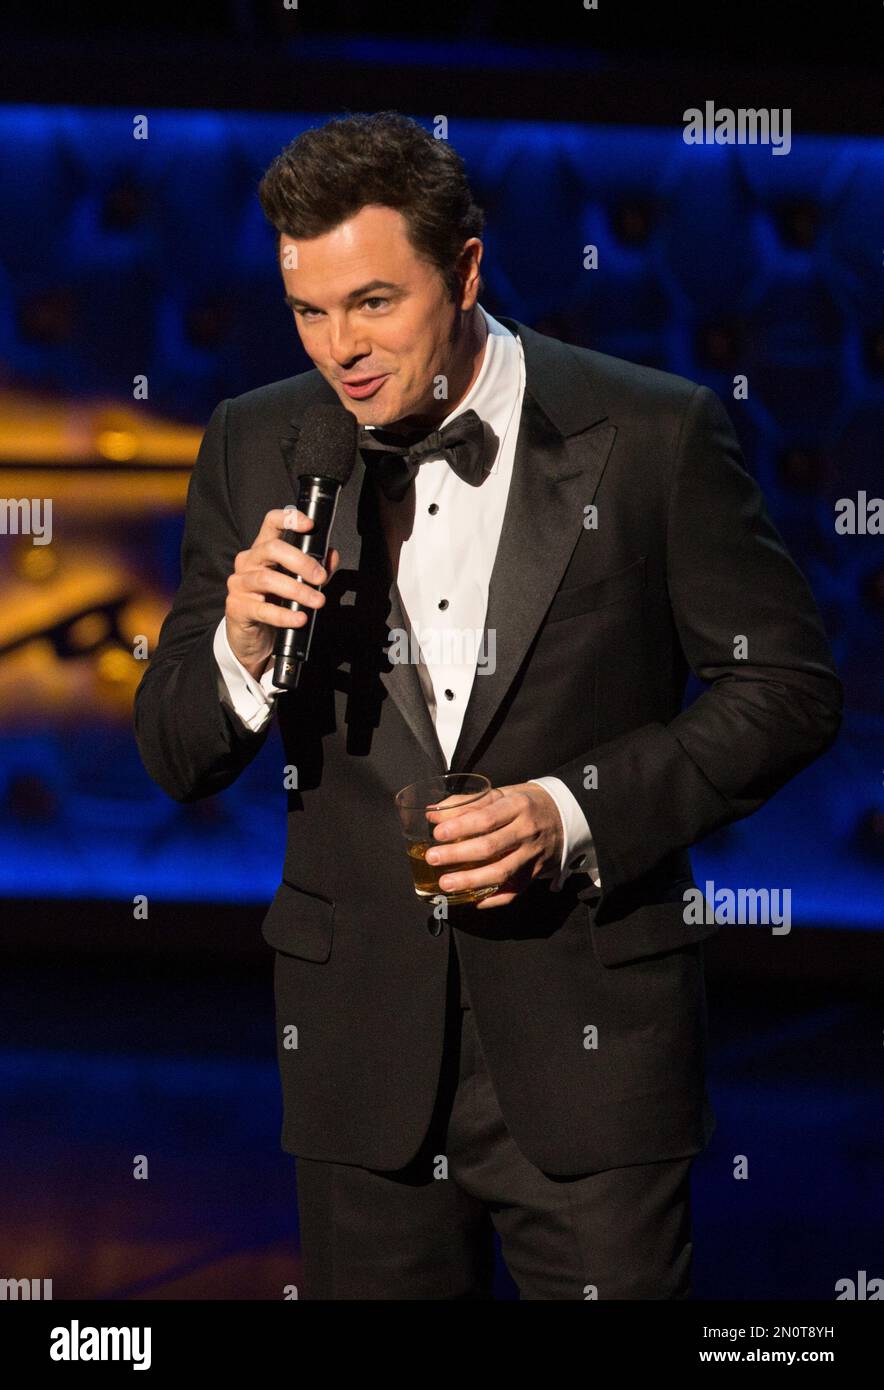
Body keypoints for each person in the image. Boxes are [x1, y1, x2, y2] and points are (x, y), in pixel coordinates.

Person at [134, 111, 843, 1299]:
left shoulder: (651, 434)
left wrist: (569, 812)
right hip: (358, 1060)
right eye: (307, 311)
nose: (337, 350)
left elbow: (783, 686)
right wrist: (238, 647)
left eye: (371, 303)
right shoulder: (257, 445)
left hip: (593, 1054)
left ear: (464, 270)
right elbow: (173, 752)